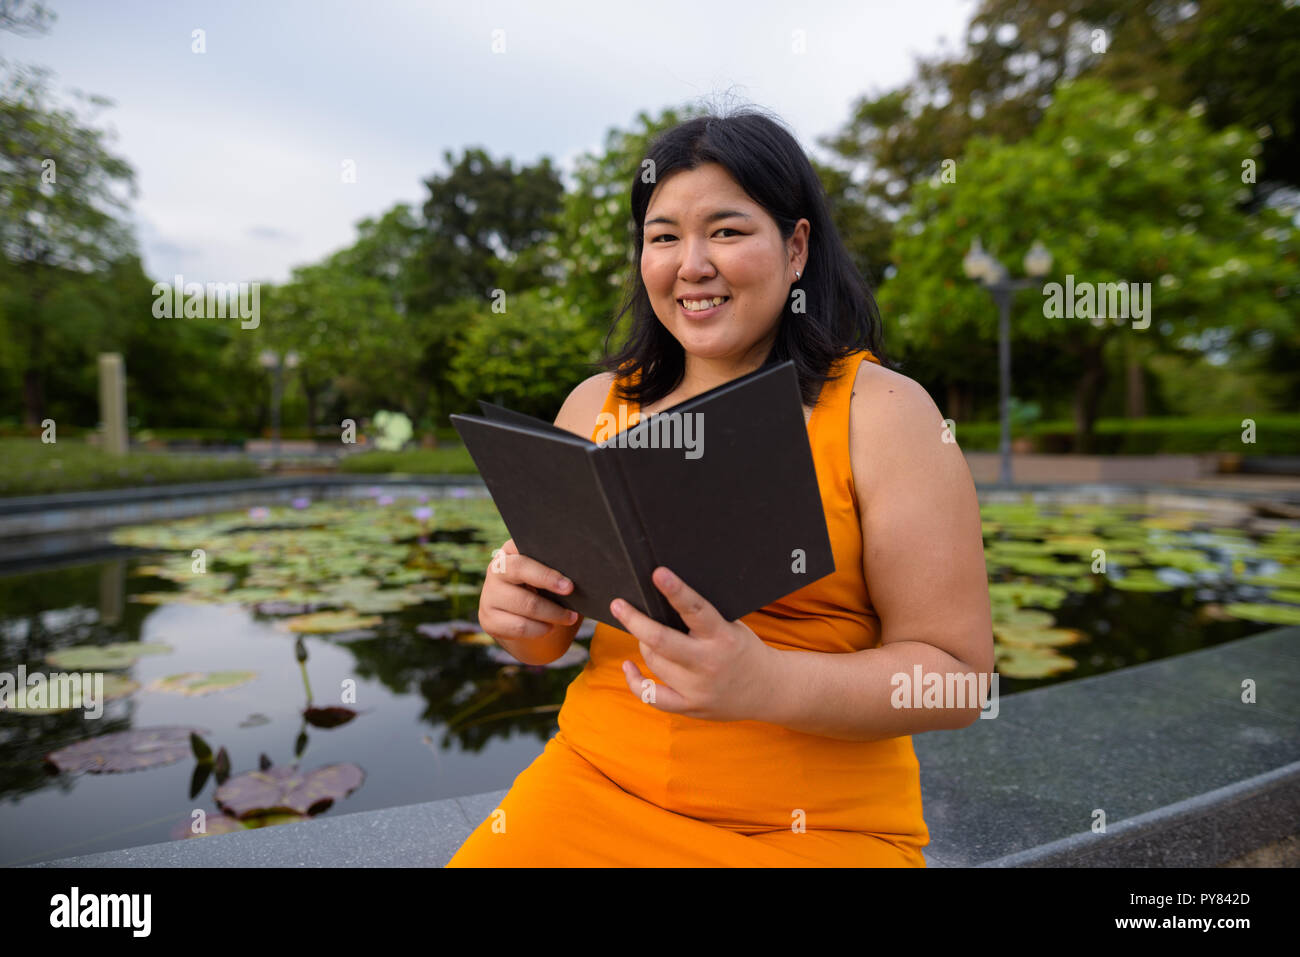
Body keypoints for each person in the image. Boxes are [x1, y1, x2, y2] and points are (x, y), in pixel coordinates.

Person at [446, 107, 993, 867]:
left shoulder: (886, 413)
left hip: (815, 828)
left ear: (796, 247)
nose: (691, 264)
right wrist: (515, 611)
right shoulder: (596, 403)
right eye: (663, 236)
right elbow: (551, 636)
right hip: (593, 786)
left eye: (727, 231)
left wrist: (765, 681)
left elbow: (961, 682)